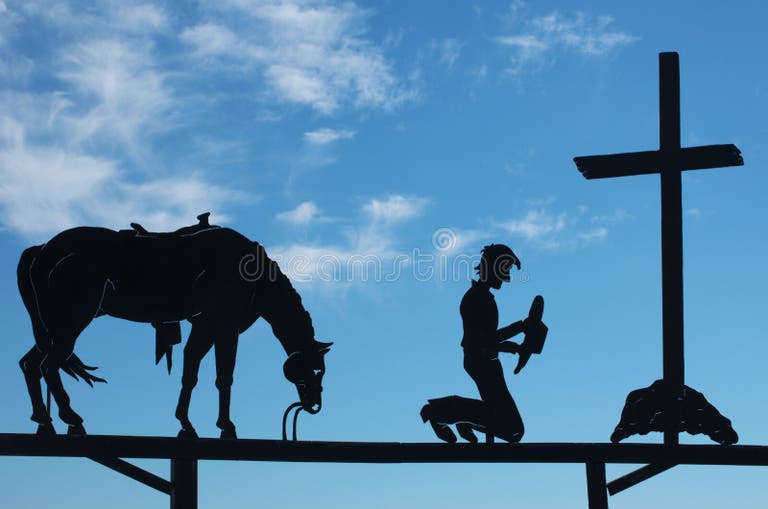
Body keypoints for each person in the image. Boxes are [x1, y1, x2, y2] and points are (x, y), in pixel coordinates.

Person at [421, 243, 528, 443]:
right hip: (481, 363)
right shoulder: (476, 299)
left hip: (488, 362)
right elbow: (481, 340)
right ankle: (439, 412)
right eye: (505, 269)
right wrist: (520, 327)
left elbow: (488, 339)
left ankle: (460, 418)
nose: (507, 277)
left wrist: (515, 347)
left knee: (508, 425)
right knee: (512, 428)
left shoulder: (483, 297)